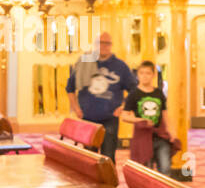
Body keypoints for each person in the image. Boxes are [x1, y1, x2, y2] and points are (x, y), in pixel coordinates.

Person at [67, 32, 134, 160]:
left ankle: (108, 181)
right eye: (100, 43)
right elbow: (70, 88)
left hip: (110, 119)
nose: (103, 46)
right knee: (89, 158)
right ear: (95, 45)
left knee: (108, 157)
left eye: (107, 43)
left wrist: (124, 107)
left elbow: (133, 90)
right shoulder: (84, 62)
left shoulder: (120, 66)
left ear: (111, 45)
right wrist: (76, 108)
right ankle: (91, 181)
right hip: (88, 118)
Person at [123, 61, 179, 174]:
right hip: (143, 137)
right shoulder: (134, 94)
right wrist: (141, 120)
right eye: (141, 73)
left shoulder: (158, 93)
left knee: (165, 168)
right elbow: (124, 116)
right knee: (146, 170)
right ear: (137, 75)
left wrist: (172, 132)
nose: (144, 76)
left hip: (160, 136)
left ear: (153, 75)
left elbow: (165, 115)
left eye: (148, 73)